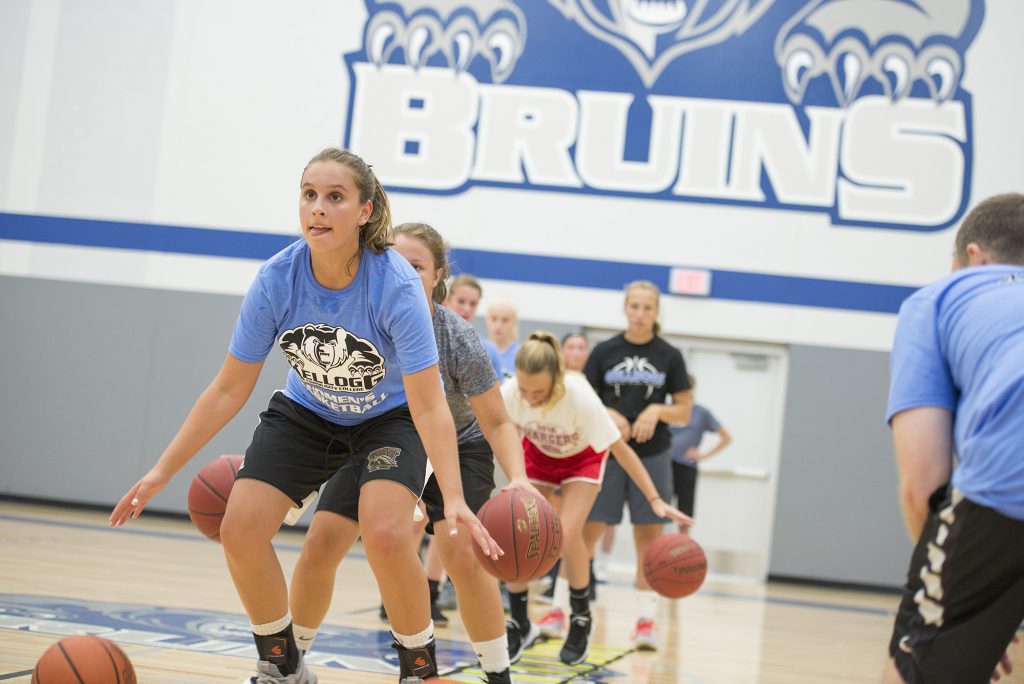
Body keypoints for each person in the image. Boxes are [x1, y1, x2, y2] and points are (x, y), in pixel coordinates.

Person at [108, 148, 499, 684]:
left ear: (364, 212)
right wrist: (162, 470)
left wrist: (453, 496)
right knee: (240, 528)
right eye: (309, 194)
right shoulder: (277, 279)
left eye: (334, 197)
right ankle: (284, 665)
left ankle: (419, 670)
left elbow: (429, 403)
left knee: (386, 534)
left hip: (390, 419)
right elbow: (227, 389)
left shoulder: (396, 285)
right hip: (308, 411)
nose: (317, 208)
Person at [288, 222, 540, 684]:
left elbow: (498, 421)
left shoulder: (458, 339)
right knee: (321, 542)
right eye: (394, 264)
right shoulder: (362, 326)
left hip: (458, 445)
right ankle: (289, 665)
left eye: (416, 266)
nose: (403, 274)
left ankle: (498, 673)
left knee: (461, 553)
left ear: (439, 274)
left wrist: (519, 477)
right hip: (376, 439)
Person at [882, 192, 1024, 684]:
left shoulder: (939, 298)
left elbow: (923, 484)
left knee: (915, 670)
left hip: (1007, 493)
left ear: (973, 256)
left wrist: (968, 611)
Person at [502, 332, 692, 666]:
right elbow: (491, 432)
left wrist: (655, 498)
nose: (530, 398)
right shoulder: (509, 392)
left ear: (557, 380)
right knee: (521, 532)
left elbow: (623, 451)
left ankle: (579, 618)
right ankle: (519, 621)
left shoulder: (581, 398)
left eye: (540, 391)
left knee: (566, 533)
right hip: (537, 457)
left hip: (582, 459)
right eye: (525, 390)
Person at [581, 280, 692, 652]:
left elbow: (685, 409)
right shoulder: (606, 351)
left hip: (653, 454)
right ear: (625, 309)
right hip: (607, 453)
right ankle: (569, 611)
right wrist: (610, 411)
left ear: (656, 312)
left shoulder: (670, 356)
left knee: (649, 541)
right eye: (635, 306)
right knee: (586, 532)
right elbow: (583, 397)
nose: (641, 314)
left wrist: (657, 409)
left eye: (648, 307)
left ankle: (645, 622)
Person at [667, 375, 732, 533]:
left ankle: (682, 551)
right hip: (665, 465)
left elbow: (726, 437)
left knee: (685, 513)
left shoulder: (701, 413)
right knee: (659, 509)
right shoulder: (665, 409)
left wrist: (703, 456)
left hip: (686, 466)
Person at [445, 274, 503, 378]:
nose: (467, 309)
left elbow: (498, 391)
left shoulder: (488, 350)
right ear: (448, 300)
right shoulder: (433, 340)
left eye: (473, 304)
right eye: (461, 301)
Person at [485, 297, 521, 379]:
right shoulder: (478, 350)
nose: (498, 325)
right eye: (494, 319)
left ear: (514, 323)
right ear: (487, 320)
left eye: (505, 320)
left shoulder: (520, 354)